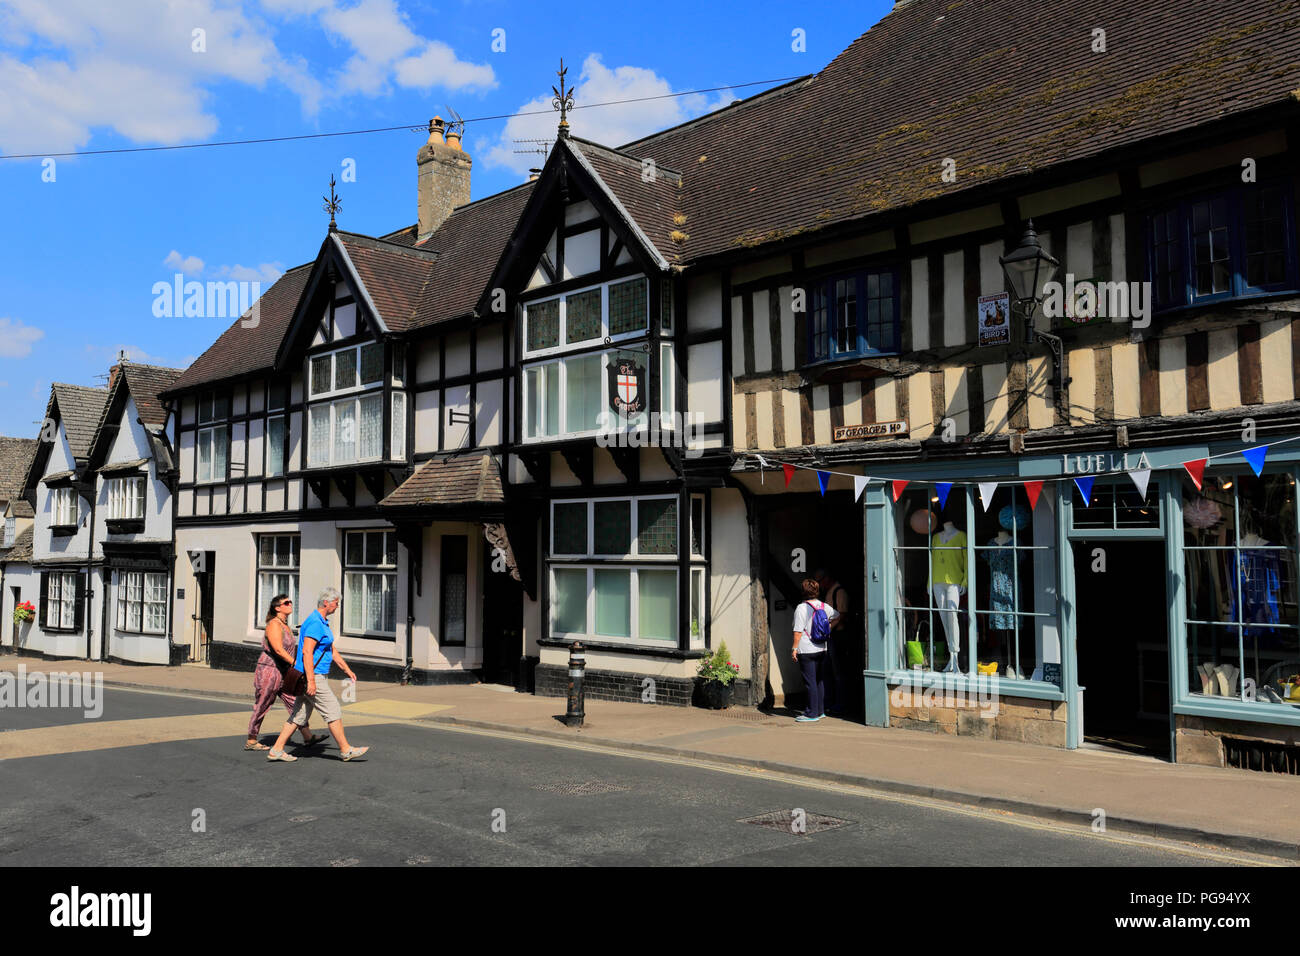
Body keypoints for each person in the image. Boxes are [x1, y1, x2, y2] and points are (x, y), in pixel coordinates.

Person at [267, 588, 369, 762]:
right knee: (333, 710)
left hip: (312, 675)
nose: (337, 607)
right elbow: (307, 652)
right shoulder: (315, 623)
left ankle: (276, 750)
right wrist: (312, 681)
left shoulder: (322, 622)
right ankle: (346, 750)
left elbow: (331, 650)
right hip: (312, 675)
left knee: (299, 715)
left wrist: (347, 670)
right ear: (326, 603)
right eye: (336, 603)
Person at [246, 594, 327, 751]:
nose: (290, 604)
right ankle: (251, 739)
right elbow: (277, 649)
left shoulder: (285, 625)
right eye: (286, 602)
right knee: (263, 704)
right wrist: (296, 664)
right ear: (277, 608)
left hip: (284, 671)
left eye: (290, 601)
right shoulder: (274, 624)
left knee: (294, 702)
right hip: (270, 670)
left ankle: (308, 737)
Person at [791, 578, 838, 722]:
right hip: (822, 647)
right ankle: (820, 710)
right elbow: (837, 615)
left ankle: (811, 713)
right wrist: (829, 628)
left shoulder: (801, 608)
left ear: (803, 592)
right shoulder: (823, 605)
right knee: (819, 680)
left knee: (810, 681)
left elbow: (798, 631)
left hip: (806, 649)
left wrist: (794, 648)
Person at [815, 568, 850, 717]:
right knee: (827, 670)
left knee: (838, 671)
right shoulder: (830, 592)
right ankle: (829, 702)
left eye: (821, 582)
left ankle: (840, 704)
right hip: (831, 636)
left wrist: (827, 629)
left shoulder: (839, 591)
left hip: (837, 635)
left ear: (827, 579)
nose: (820, 585)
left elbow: (842, 615)